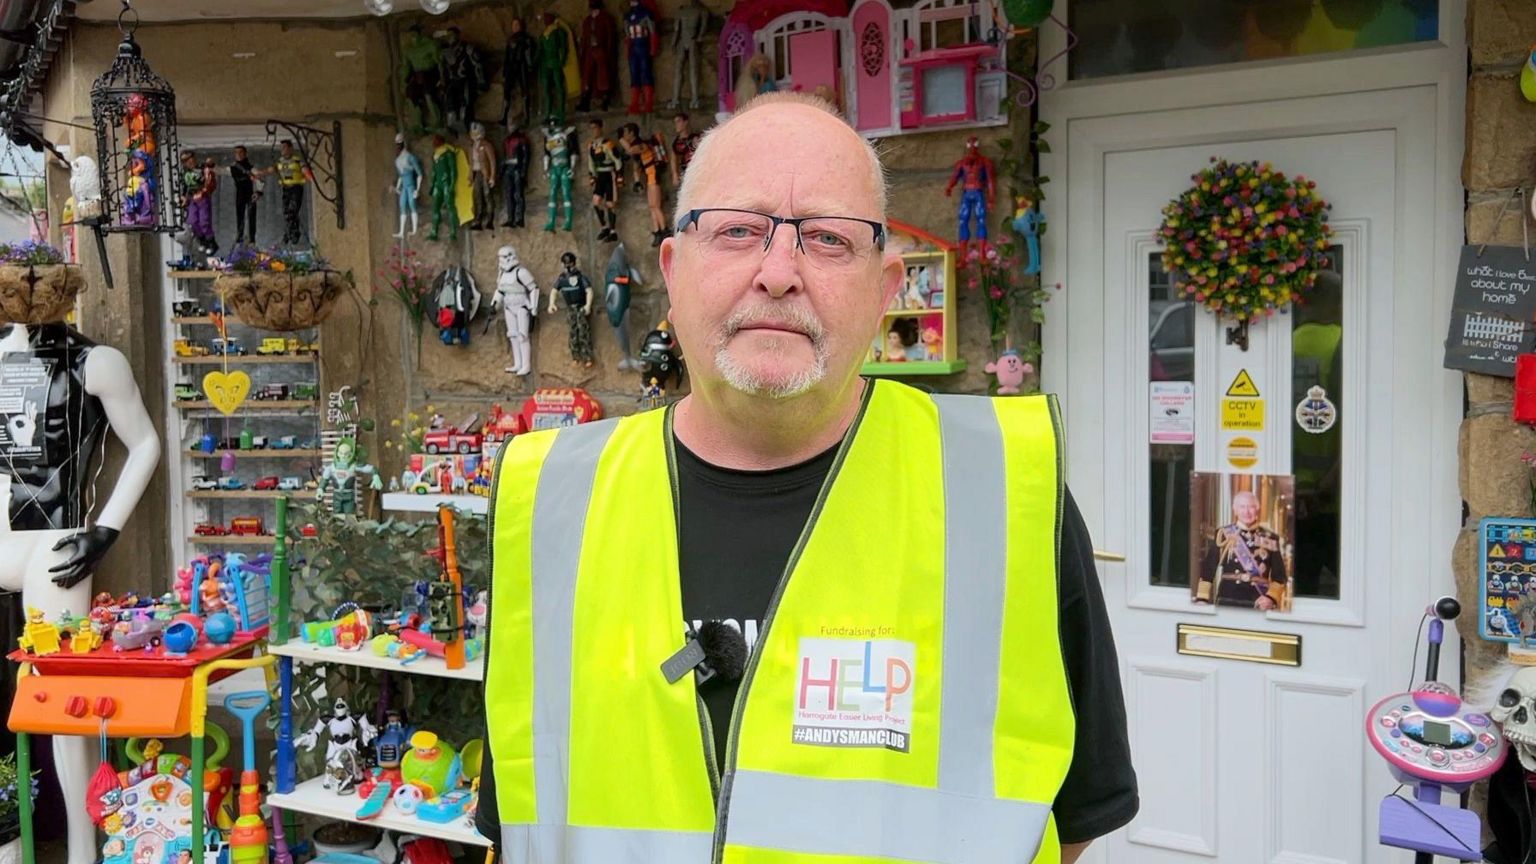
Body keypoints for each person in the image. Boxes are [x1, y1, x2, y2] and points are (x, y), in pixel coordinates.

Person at [477, 92, 1137, 864]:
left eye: (827, 238)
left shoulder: (1006, 492)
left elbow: (1074, 815)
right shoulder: (549, 500)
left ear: (887, 288)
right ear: (673, 268)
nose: (779, 273)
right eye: (737, 230)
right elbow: (527, 808)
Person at [1195, 489, 1289, 610]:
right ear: (1235, 510)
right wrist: (1202, 598)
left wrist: (1270, 598)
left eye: (1251, 507)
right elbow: (1208, 569)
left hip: (1258, 600)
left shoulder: (1271, 537)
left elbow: (1279, 576)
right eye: (1242, 507)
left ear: (1257, 509)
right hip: (1228, 597)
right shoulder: (1224, 533)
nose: (1247, 512)